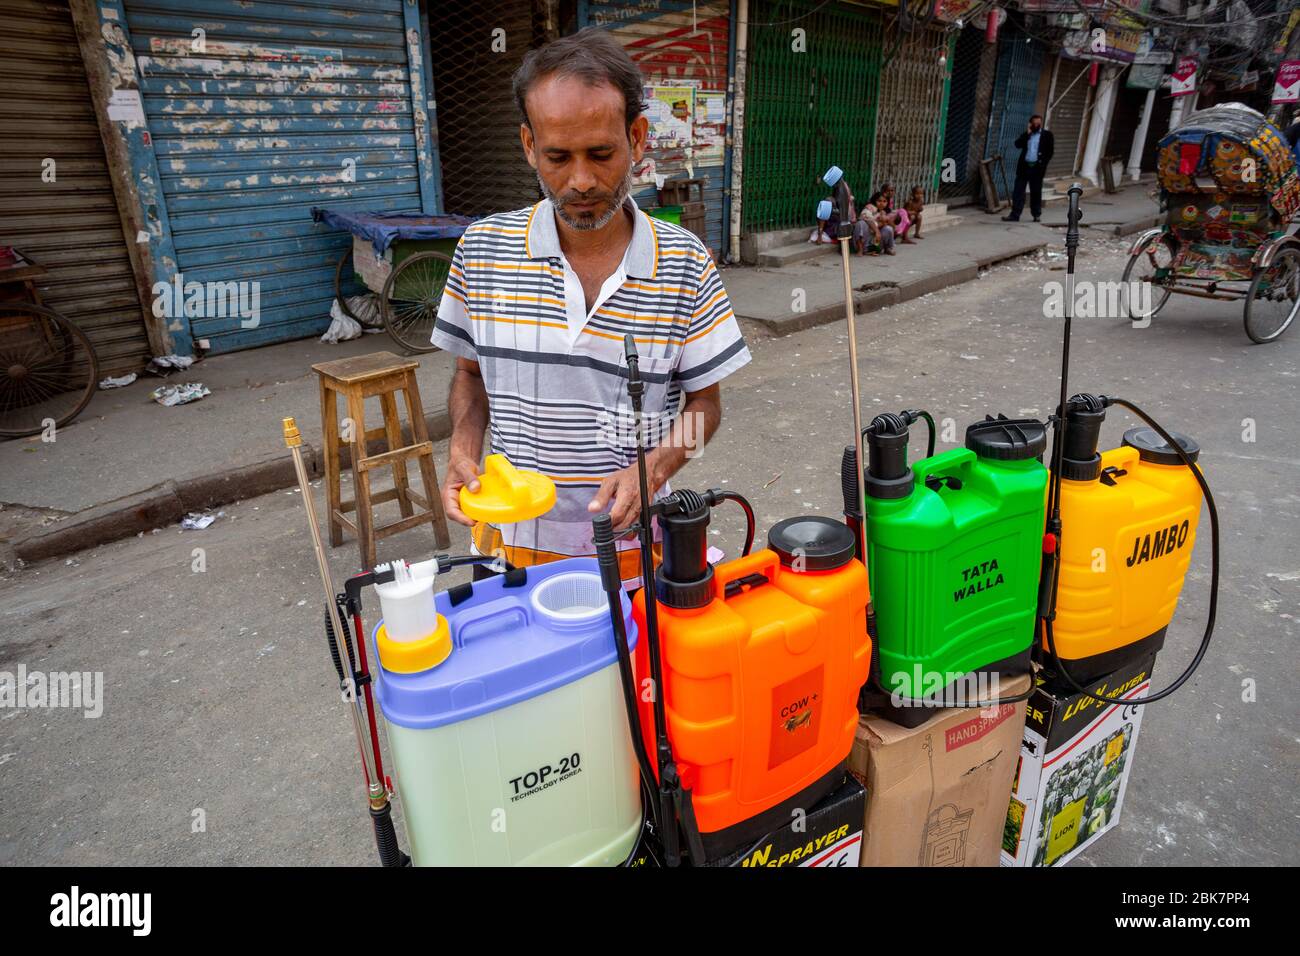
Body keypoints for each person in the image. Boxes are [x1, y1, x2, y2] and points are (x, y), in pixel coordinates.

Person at [431, 28, 751, 584]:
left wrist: (651, 471)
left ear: (637, 137)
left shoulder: (684, 261)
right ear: (529, 146)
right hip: (509, 546)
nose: (580, 181)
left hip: (632, 549)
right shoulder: (482, 250)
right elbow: (469, 376)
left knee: (633, 672)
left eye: (601, 154)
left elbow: (706, 408)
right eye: (557, 157)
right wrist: (462, 445)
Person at [1003, 114, 1054, 222]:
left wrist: (1042, 164)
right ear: (1030, 124)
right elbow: (1017, 144)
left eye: (1038, 123)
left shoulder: (1047, 135)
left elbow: (1050, 152)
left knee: (1035, 192)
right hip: (1024, 167)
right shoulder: (1027, 135)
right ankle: (1015, 214)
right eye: (1034, 123)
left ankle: (1036, 214)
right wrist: (1027, 134)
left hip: (1037, 168)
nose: (1036, 125)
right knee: (1018, 191)